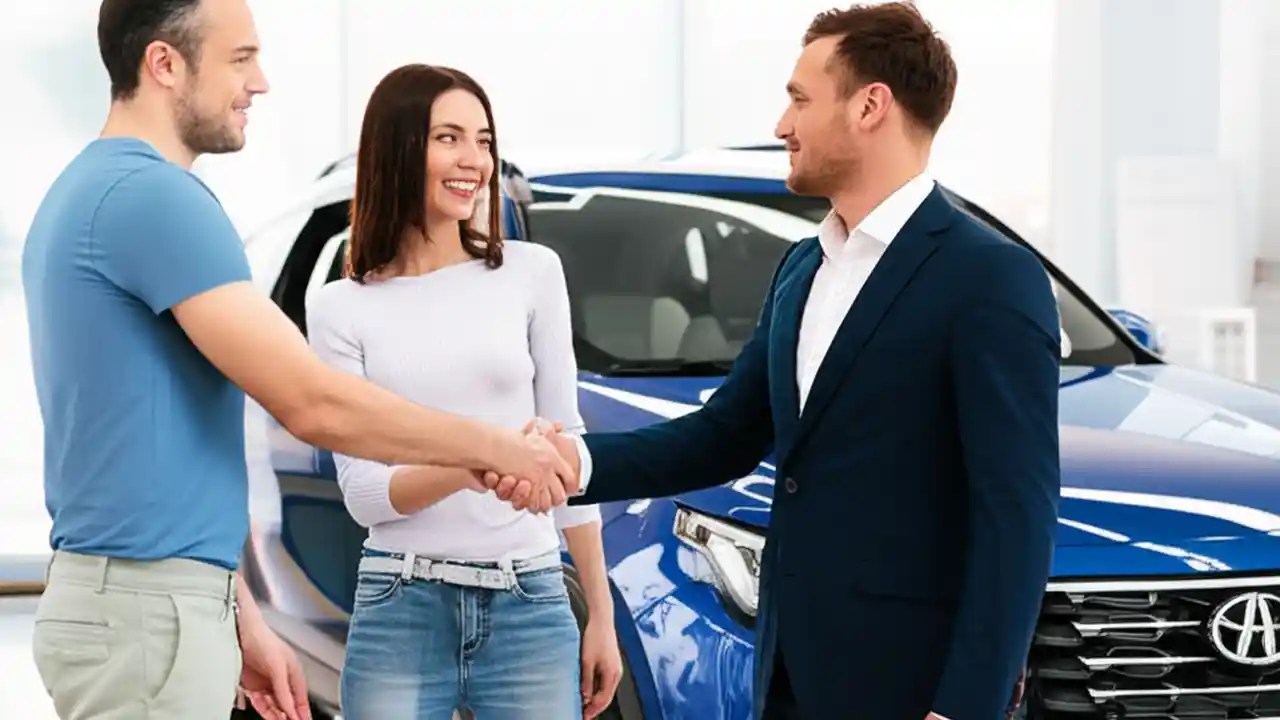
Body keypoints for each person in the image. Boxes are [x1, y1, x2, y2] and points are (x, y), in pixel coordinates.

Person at [499, 3, 1061, 718]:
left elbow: (1016, 515)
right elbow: (724, 435)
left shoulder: (988, 276)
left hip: (911, 686)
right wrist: (571, 465)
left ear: (870, 106)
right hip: (792, 673)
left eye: (799, 98)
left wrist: (966, 706)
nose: (781, 125)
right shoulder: (803, 268)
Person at [21, 2, 574, 719]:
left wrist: (237, 613)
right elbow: (315, 402)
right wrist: (499, 448)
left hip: (147, 604)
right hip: (147, 616)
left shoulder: (87, 191)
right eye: (240, 58)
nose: (261, 83)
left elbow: (143, 459)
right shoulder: (153, 198)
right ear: (164, 64)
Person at [306, 63, 623, 720]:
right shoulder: (341, 308)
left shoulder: (532, 274)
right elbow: (366, 496)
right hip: (401, 600)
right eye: (449, 137)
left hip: (530, 600)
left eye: (483, 140)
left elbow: (568, 445)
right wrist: (478, 462)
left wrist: (601, 613)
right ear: (398, 147)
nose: (473, 160)